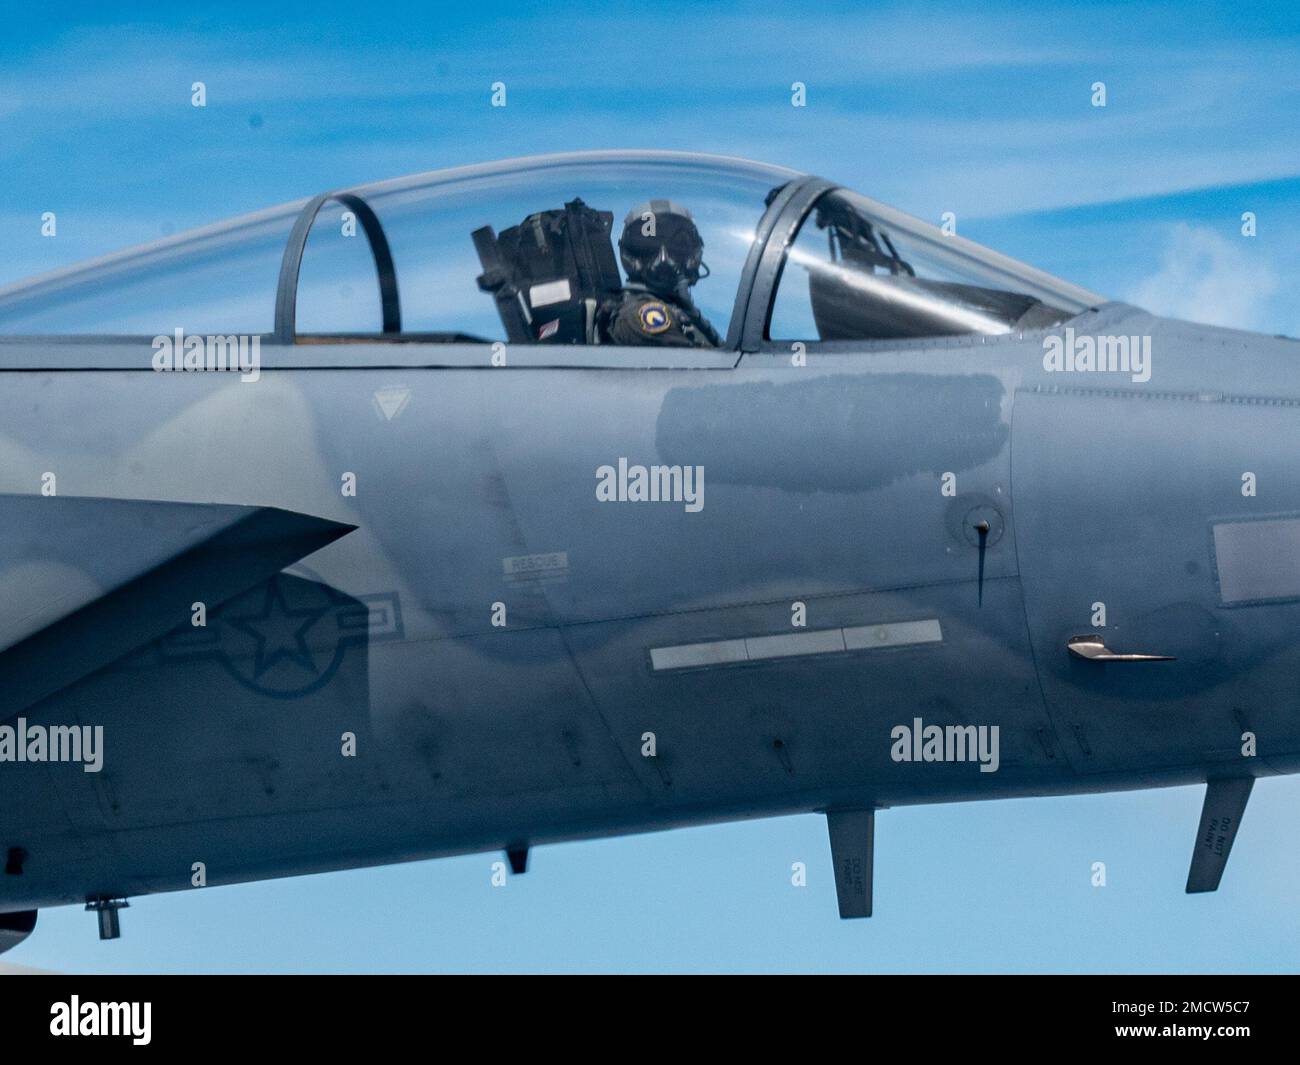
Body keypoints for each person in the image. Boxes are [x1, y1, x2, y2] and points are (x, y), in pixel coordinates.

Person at [599, 200, 721, 347]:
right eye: (648, 250)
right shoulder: (639, 315)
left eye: (677, 249)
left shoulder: (676, 310)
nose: (664, 260)